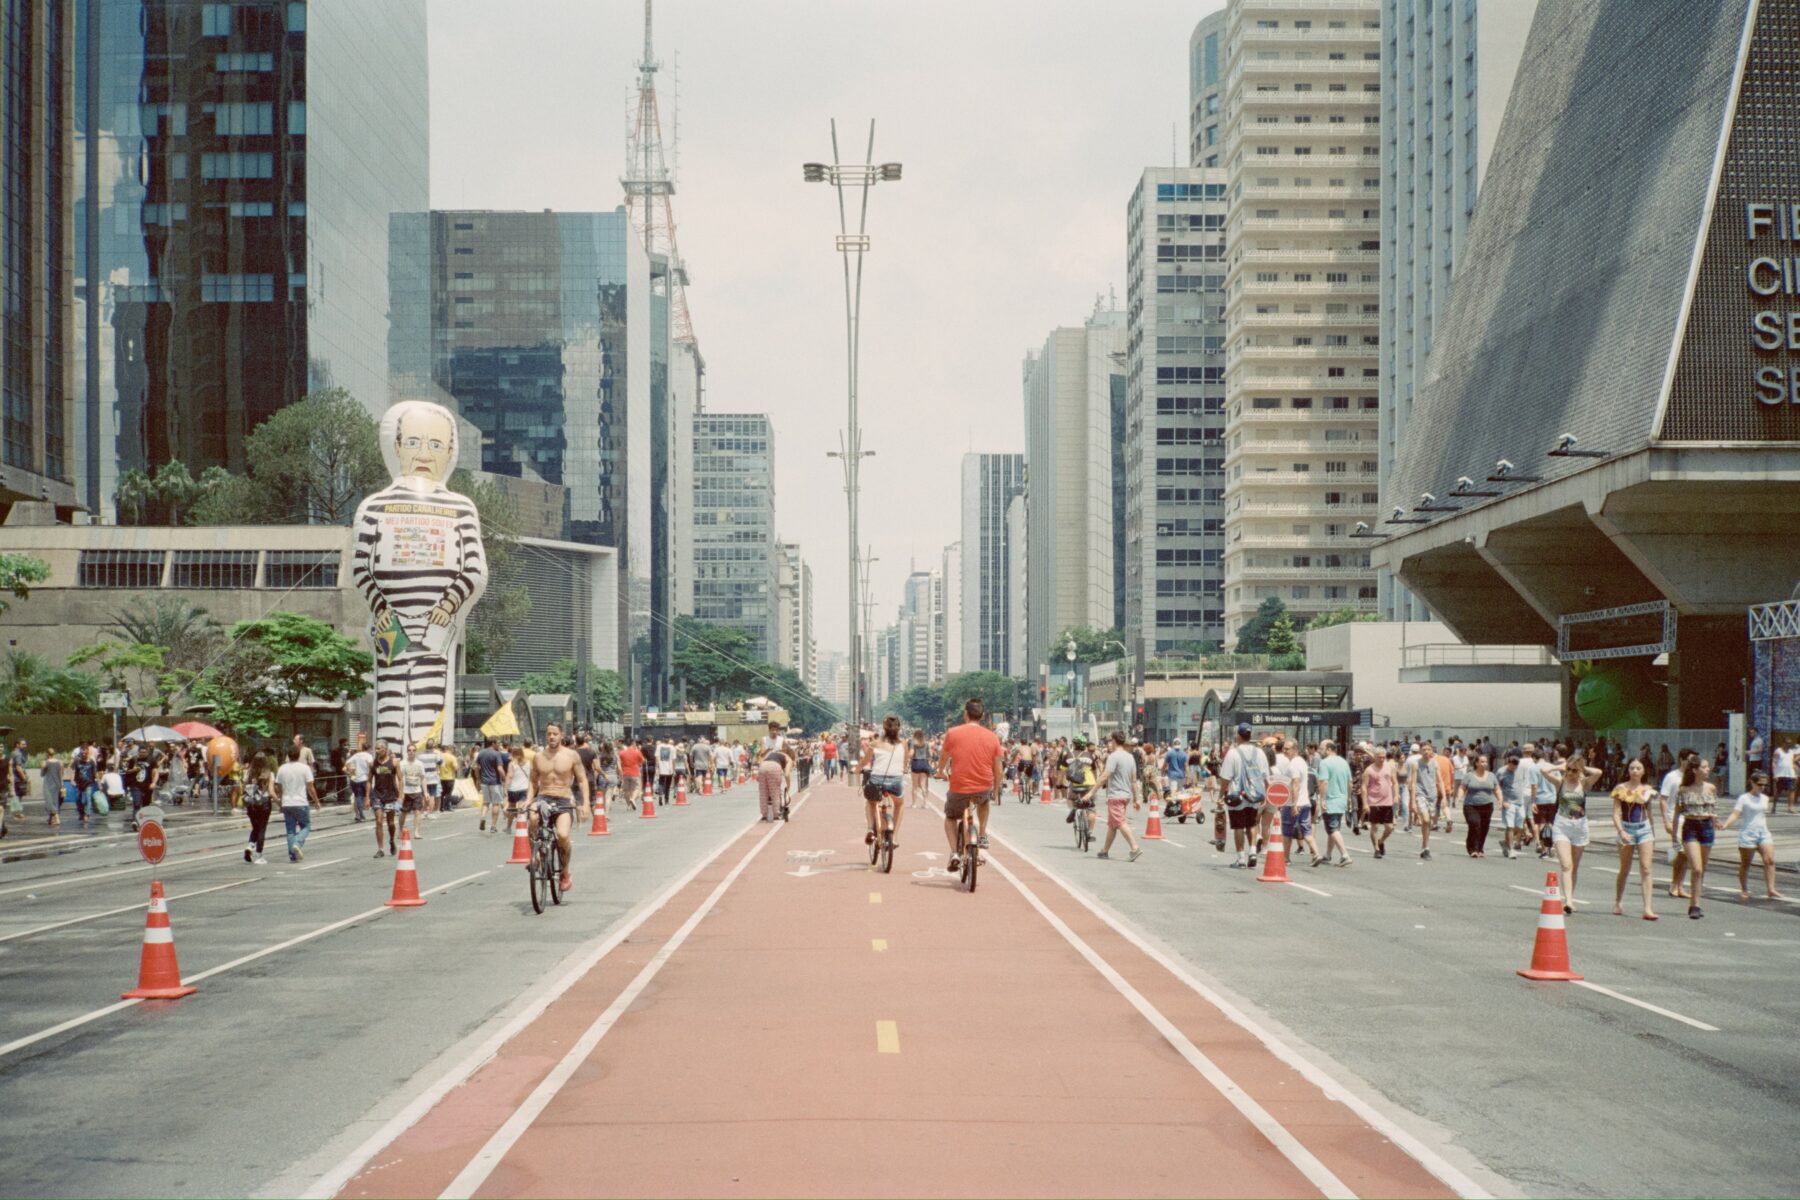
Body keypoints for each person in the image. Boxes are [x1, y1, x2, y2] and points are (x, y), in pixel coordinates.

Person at [936, 698, 1002, 872]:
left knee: (950, 818)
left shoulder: (953, 733)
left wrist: (940, 771)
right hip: (983, 787)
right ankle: (982, 834)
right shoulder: (993, 737)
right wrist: (996, 789)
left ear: (965, 714)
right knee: (984, 801)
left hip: (959, 788)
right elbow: (998, 769)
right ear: (982, 716)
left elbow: (944, 757)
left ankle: (954, 853)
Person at [526, 723, 591, 892]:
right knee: (532, 817)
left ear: (561, 735)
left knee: (562, 836)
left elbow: (583, 780)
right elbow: (533, 782)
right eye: (549, 734)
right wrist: (528, 800)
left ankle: (565, 871)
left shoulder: (571, 755)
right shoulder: (538, 756)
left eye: (555, 733)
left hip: (563, 800)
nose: (551, 737)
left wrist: (585, 804)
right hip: (543, 797)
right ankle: (536, 855)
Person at [1721, 770, 1783, 902]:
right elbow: (1736, 814)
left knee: (1770, 860)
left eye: (1764, 785)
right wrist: (1726, 824)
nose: (1762, 787)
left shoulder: (1765, 798)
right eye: (1759, 784)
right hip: (1748, 833)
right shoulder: (1744, 798)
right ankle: (1744, 889)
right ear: (1752, 783)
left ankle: (1771, 889)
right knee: (1746, 863)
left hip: (1763, 832)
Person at [1609, 758, 1659, 920]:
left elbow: (1649, 813)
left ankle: (1647, 908)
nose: (1635, 771)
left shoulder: (1648, 790)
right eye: (1632, 768)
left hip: (1644, 830)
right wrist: (1621, 831)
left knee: (1646, 868)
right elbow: (1616, 813)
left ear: (1644, 771)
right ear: (1628, 770)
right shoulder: (1621, 788)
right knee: (1625, 868)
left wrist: (1653, 832)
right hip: (1627, 829)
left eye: (1638, 768)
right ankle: (1618, 901)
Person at [1672, 758, 1719, 919]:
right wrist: (1674, 835)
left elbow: (1713, 810)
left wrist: (1716, 824)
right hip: (1690, 827)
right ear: (1694, 770)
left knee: (1702, 870)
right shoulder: (1683, 790)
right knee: (1696, 868)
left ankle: (1696, 903)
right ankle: (1694, 905)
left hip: (1706, 828)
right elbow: (1677, 813)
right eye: (1704, 767)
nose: (1708, 769)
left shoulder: (1711, 788)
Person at [1219, 724, 1268, 869]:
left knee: (1238, 826)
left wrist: (1221, 795)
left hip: (1237, 795)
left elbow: (1225, 778)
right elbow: (1265, 776)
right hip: (1254, 795)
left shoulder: (1233, 753)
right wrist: (1265, 793)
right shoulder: (1259, 753)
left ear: (1239, 736)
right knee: (1252, 824)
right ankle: (1252, 852)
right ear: (1250, 735)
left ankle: (1240, 858)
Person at [1091, 730, 1144, 862]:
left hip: (1116, 795)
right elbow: (1133, 780)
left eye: (1110, 741)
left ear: (1114, 741)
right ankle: (1105, 851)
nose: (1109, 743)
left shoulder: (1113, 756)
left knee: (1119, 822)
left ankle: (1134, 847)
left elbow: (1105, 775)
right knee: (1112, 824)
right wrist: (1136, 799)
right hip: (1126, 795)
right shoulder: (1130, 757)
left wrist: (1092, 791)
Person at [1274, 738, 1320, 866]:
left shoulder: (1293, 764)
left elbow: (1295, 783)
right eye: (1284, 748)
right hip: (1305, 802)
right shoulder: (1302, 762)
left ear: (1295, 750)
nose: (1284, 751)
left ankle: (1286, 858)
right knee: (1306, 830)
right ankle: (1316, 854)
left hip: (1293, 804)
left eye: (1287, 749)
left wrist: (1293, 804)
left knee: (1287, 831)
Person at [275, 744, 319, 863]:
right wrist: (316, 801)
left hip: (287, 803)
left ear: (288, 756)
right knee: (306, 826)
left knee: (290, 830)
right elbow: (310, 787)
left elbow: (278, 786)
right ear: (299, 755)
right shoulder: (304, 768)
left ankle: (292, 855)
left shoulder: (282, 768)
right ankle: (297, 843)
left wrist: (281, 800)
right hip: (301, 802)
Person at [1315, 740, 1352, 867]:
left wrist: (1322, 799)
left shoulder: (1324, 763)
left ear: (1329, 749)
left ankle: (1344, 854)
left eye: (1321, 748)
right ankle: (1328, 855)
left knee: (1332, 828)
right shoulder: (1344, 762)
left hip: (1331, 800)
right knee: (1334, 828)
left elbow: (1324, 782)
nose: (1319, 751)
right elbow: (1350, 783)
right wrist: (1348, 798)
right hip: (1341, 799)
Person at [1359, 744, 1398, 859]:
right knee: (1374, 827)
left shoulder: (1389, 767)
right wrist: (1365, 803)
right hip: (1374, 802)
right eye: (1379, 757)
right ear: (1374, 757)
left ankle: (1381, 841)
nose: (1381, 759)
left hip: (1387, 801)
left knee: (1389, 827)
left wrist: (1396, 795)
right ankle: (1376, 849)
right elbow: (1364, 787)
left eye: (1383, 757)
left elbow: (1395, 782)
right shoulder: (1369, 770)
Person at [1457, 753, 1499, 858]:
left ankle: (1480, 848)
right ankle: (1472, 848)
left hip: (1487, 805)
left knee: (1484, 828)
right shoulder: (1469, 776)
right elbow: (1462, 788)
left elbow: (1496, 789)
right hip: (1471, 805)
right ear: (1476, 763)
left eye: (1486, 762)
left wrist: (1501, 800)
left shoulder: (1491, 776)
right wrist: (1459, 797)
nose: (1485, 764)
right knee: (1475, 824)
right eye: (1482, 761)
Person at [1408, 740, 1443, 861]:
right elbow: (1413, 783)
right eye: (1424, 750)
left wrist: (1443, 799)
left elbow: (1440, 781)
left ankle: (1424, 846)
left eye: (1428, 750)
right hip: (1420, 793)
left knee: (1428, 823)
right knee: (1426, 819)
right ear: (1421, 751)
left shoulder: (1435, 764)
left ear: (1432, 751)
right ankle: (1426, 847)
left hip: (1432, 795)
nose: (1426, 752)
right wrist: (1413, 801)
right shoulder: (1416, 764)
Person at [241, 752, 275, 865]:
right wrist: (278, 801)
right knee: (262, 828)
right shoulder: (269, 774)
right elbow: (271, 790)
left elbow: (244, 788)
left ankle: (250, 846)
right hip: (264, 802)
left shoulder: (248, 774)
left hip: (251, 804)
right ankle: (259, 855)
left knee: (255, 827)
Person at [758, 735, 794, 823]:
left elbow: (762, 758)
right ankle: (776, 815)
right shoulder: (789, 759)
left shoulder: (773, 753)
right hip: (774, 767)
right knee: (775, 792)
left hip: (763, 766)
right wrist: (788, 786)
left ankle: (764, 815)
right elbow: (786, 774)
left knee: (763, 793)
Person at [400, 743, 427, 839]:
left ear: (416, 752)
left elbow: (423, 778)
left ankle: (416, 832)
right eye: (409, 750)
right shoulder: (402, 763)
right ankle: (400, 830)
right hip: (406, 792)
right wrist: (400, 792)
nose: (411, 752)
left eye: (413, 750)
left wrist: (426, 792)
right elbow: (399, 778)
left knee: (417, 811)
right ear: (407, 752)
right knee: (404, 813)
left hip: (417, 791)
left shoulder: (419, 764)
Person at [346, 739, 373, 823]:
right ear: (369, 749)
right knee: (372, 795)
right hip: (365, 779)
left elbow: (347, 763)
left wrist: (351, 773)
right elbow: (371, 765)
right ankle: (378, 812)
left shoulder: (356, 755)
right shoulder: (368, 756)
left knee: (358, 797)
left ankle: (360, 815)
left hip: (355, 779)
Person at [616, 738, 644, 811]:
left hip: (625, 773)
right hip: (635, 772)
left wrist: (620, 772)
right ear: (633, 743)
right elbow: (643, 760)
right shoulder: (637, 752)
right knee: (636, 788)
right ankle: (633, 799)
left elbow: (618, 763)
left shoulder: (621, 753)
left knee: (626, 790)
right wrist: (638, 763)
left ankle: (628, 805)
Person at [40, 748, 65, 830]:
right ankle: (51, 818)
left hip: (48, 784)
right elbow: (61, 775)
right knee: (55, 801)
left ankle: (57, 818)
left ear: (47, 754)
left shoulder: (45, 763)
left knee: (50, 801)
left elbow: (42, 774)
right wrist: (62, 785)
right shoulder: (60, 762)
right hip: (57, 784)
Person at [907, 729, 932, 810]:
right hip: (924, 763)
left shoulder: (913, 742)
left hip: (916, 762)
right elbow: (930, 754)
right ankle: (925, 803)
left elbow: (911, 753)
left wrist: (907, 757)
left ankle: (914, 804)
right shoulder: (926, 743)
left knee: (915, 785)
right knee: (923, 785)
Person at [653, 736, 676, 805]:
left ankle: (660, 795)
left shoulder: (659, 746)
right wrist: (674, 769)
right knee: (668, 785)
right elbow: (673, 759)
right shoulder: (672, 747)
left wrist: (657, 767)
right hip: (669, 768)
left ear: (663, 739)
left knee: (661, 783)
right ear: (669, 740)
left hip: (661, 768)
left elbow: (657, 757)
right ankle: (666, 799)